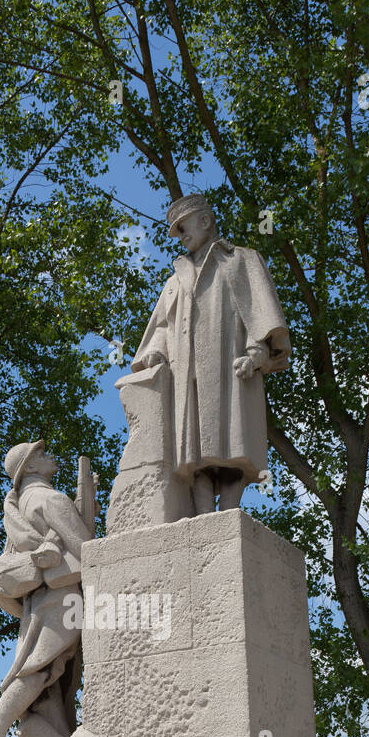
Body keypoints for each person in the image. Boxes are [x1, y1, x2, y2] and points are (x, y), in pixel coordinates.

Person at [133, 194, 291, 513]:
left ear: (205, 221)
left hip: (232, 370)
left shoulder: (242, 260)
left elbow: (259, 315)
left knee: (234, 447)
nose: (179, 235)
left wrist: (256, 354)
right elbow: (163, 325)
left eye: (182, 226)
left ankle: (231, 513)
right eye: (175, 230)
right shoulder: (176, 279)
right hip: (188, 377)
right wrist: (155, 352)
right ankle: (205, 518)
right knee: (195, 455)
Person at [0, 441, 92, 737]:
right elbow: (88, 551)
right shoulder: (52, 499)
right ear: (30, 468)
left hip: (43, 598)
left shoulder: (24, 502)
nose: (51, 455)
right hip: (63, 597)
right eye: (42, 453)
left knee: (51, 671)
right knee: (41, 667)